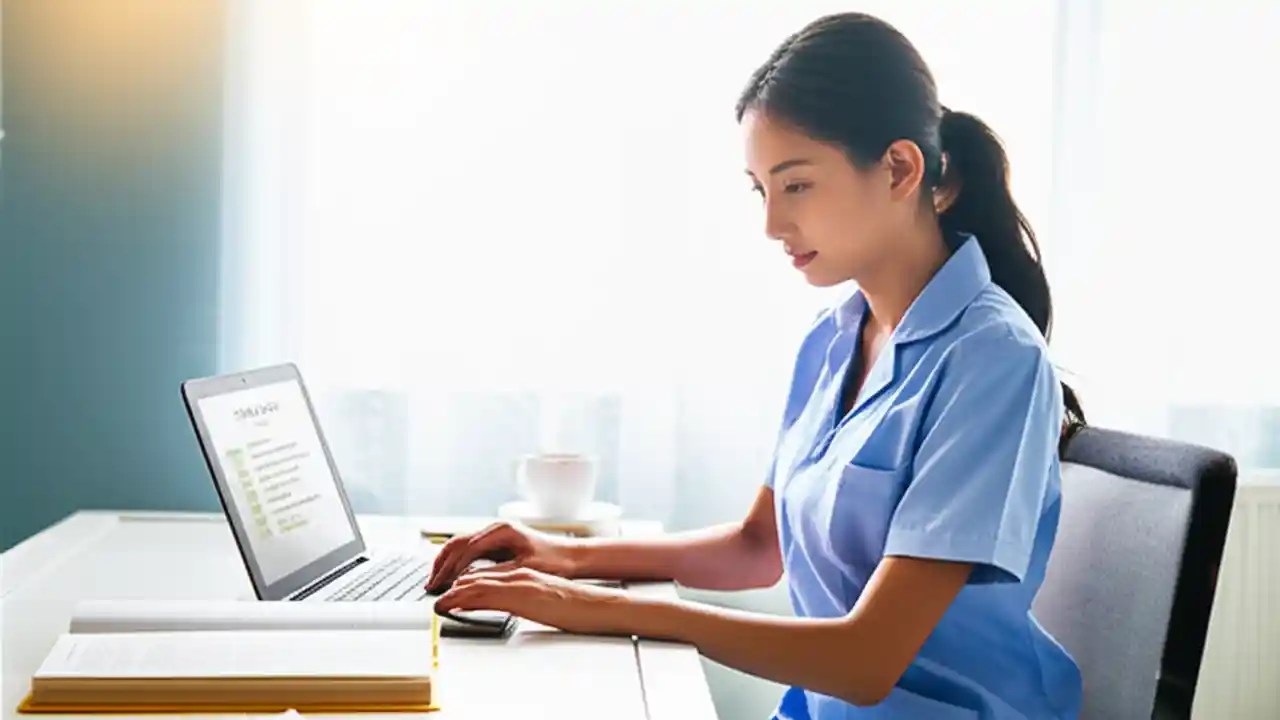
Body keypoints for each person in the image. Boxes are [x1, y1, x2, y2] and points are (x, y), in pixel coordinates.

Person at [428, 11, 1086, 719]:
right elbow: (756, 547)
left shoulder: (993, 360)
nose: (772, 224)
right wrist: (564, 557)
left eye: (796, 185)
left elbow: (867, 662)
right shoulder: (832, 340)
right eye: (759, 189)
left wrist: (597, 610)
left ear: (899, 168)